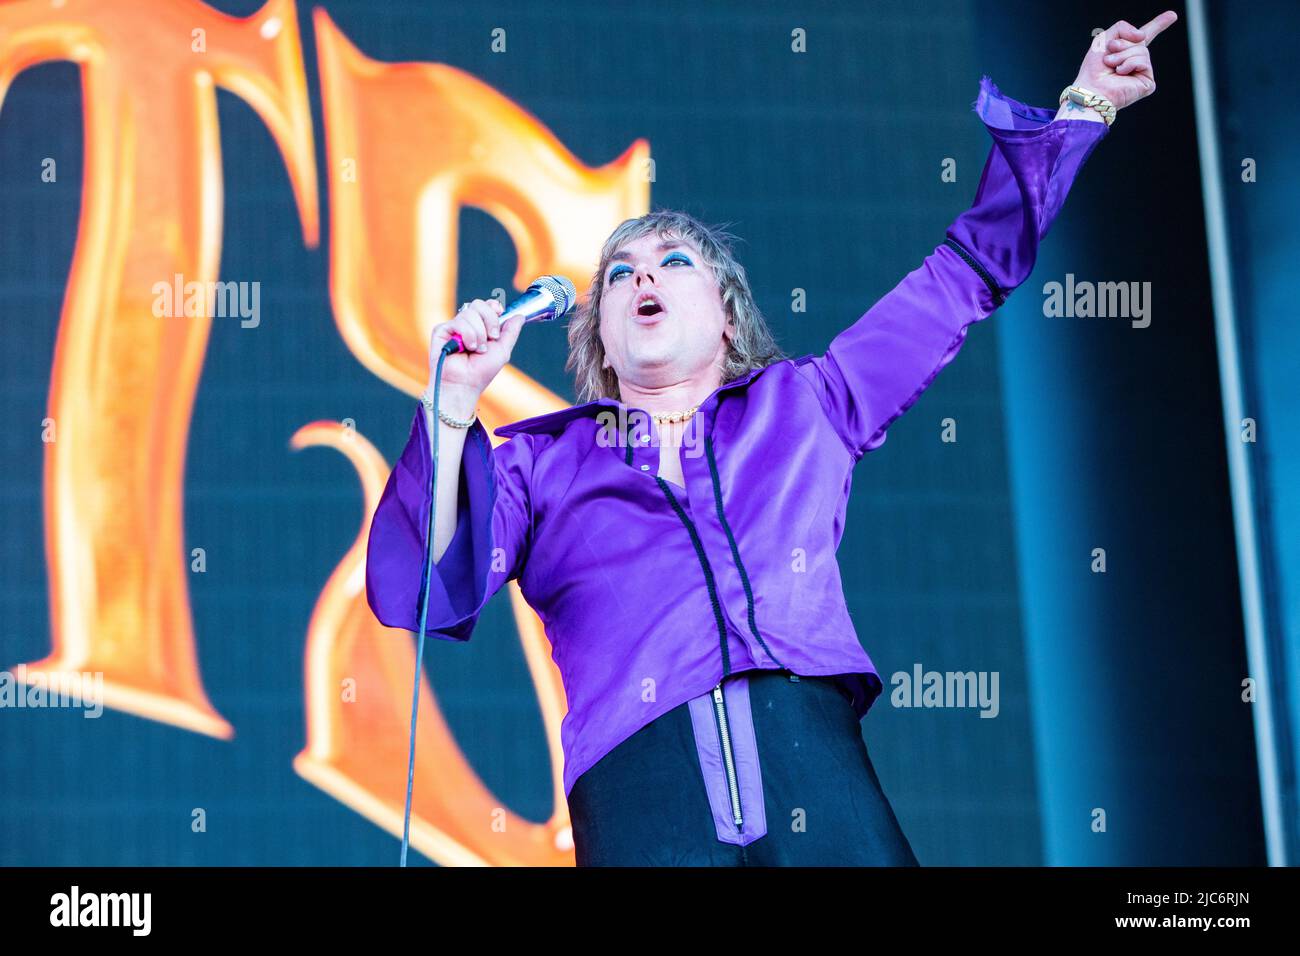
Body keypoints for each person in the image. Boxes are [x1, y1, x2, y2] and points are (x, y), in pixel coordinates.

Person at [365, 14, 1176, 866]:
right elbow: (424, 589)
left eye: (674, 263)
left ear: (727, 316)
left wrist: (1086, 105)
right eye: (619, 273)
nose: (643, 274)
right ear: (599, 334)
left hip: (813, 765)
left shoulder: (810, 404)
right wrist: (453, 406)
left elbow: (966, 272)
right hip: (640, 790)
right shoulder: (540, 464)